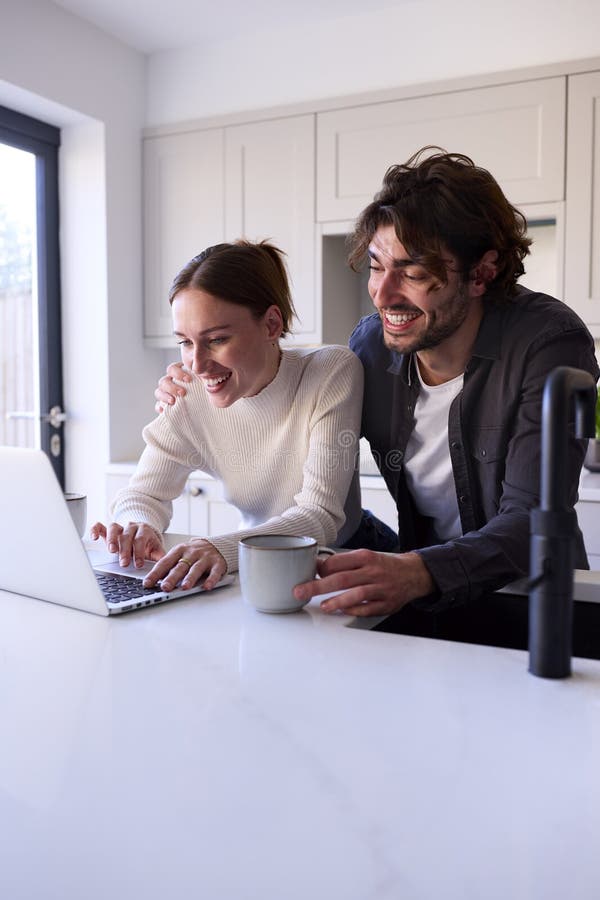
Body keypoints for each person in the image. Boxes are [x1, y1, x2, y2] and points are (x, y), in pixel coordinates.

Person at [291, 147, 599, 617]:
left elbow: (532, 521)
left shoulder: (550, 343)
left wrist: (419, 571)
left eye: (413, 272)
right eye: (376, 266)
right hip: (424, 596)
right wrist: (198, 385)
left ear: (481, 273)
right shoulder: (370, 347)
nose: (383, 293)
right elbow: (288, 408)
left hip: (534, 602)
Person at [91, 239, 363, 592]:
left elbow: (319, 516)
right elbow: (142, 495)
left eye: (216, 339)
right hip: (249, 567)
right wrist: (138, 525)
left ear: (271, 324)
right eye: (186, 342)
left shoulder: (330, 371)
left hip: (342, 564)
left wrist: (220, 547)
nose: (198, 365)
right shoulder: (187, 394)